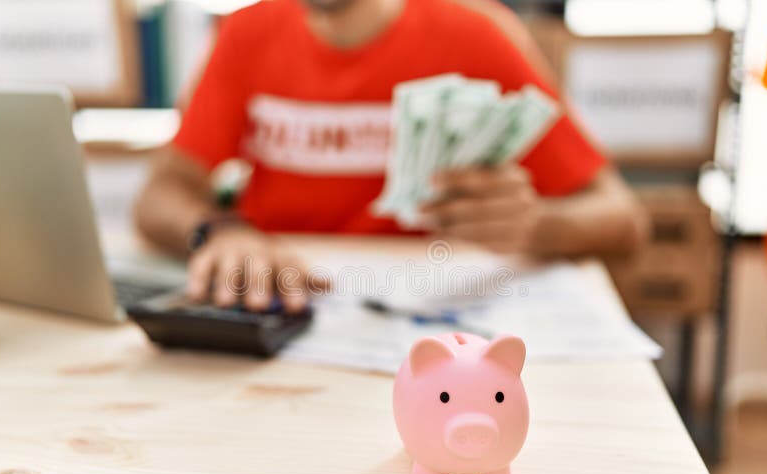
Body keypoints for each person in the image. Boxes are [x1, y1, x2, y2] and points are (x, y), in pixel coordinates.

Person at [135, 0, 649, 312]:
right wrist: (219, 232)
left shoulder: (478, 36)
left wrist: (534, 226)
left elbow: (624, 219)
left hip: (429, 327)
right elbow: (161, 193)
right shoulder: (246, 34)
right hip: (285, 306)